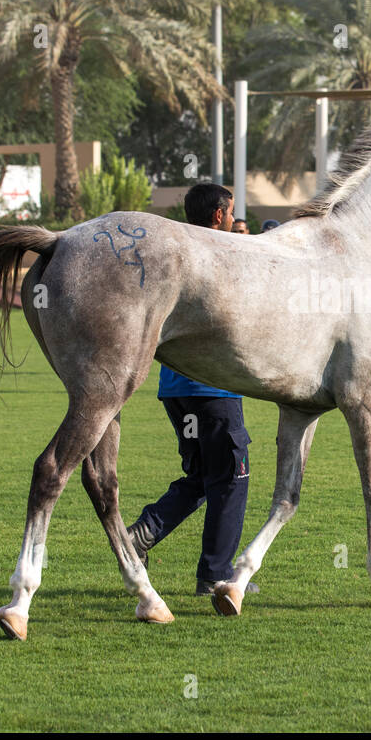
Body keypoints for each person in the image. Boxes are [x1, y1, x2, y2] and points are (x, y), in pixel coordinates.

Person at [126, 183, 259, 597]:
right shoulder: (219, 256)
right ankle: (216, 576)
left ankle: (142, 534)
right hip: (213, 390)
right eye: (231, 212)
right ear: (219, 216)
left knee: (203, 473)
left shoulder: (176, 255)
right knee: (233, 476)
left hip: (175, 389)